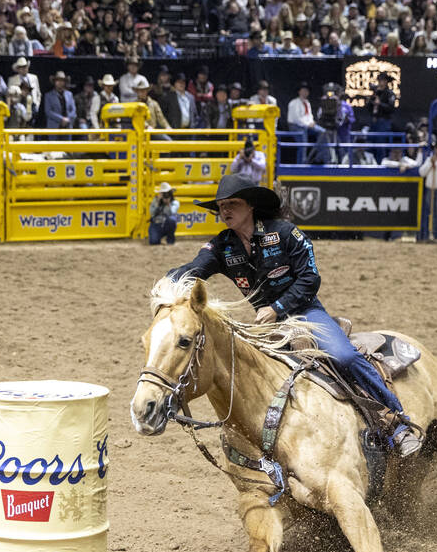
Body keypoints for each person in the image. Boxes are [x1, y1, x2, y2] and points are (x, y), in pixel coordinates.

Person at [166, 174, 422, 457]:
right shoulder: (222, 246)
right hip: (265, 325)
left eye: (233, 204)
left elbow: (310, 280)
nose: (225, 211)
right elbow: (193, 268)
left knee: (345, 357)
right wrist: (166, 286)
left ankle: (398, 425)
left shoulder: (287, 233)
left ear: (250, 206)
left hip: (306, 312)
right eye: (222, 206)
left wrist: (276, 308)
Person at [286, 82, 321, 164]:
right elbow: (296, 118)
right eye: (303, 90)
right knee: (303, 140)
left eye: (307, 91)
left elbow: (310, 115)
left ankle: (313, 157)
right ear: (299, 91)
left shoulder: (307, 103)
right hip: (295, 125)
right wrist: (307, 125)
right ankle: (301, 164)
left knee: (322, 132)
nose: (305, 92)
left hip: (307, 125)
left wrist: (312, 123)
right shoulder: (294, 103)